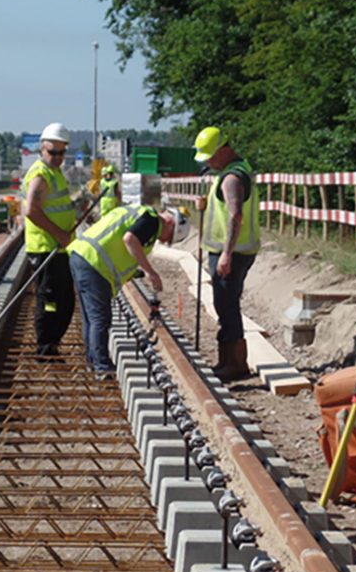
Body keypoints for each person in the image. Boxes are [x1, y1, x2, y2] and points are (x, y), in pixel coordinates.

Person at [69, 204, 189, 376]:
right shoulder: (152, 220)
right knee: (100, 318)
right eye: (169, 237)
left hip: (83, 257)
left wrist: (135, 271)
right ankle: (102, 366)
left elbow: (121, 245)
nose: (164, 241)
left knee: (91, 317)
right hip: (94, 264)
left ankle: (93, 362)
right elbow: (130, 239)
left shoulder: (140, 214)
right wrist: (151, 272)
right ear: (170, 223)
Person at [193, 125, 261, 382]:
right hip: (232, 250)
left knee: (226, 304)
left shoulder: (232, 178)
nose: (208, 162)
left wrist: (226, 254)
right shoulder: (232, 172)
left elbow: (235, 215)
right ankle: (227, 360)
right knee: (224, 303)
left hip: (233, 252)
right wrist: (205, 205)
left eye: (210, 157)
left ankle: (235, 364)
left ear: (223, 150)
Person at [22, 122, 77, 356]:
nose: (57, 157)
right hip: (46, 248)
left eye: (61, 152)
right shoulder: (40, 175)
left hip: (59, 248)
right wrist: (60, 234)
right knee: (50, 300)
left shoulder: (56, 173)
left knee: (65, 301)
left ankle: (52, 343)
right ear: (42, 149)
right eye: (53, 152)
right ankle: (45, 347)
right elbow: (32, 211)